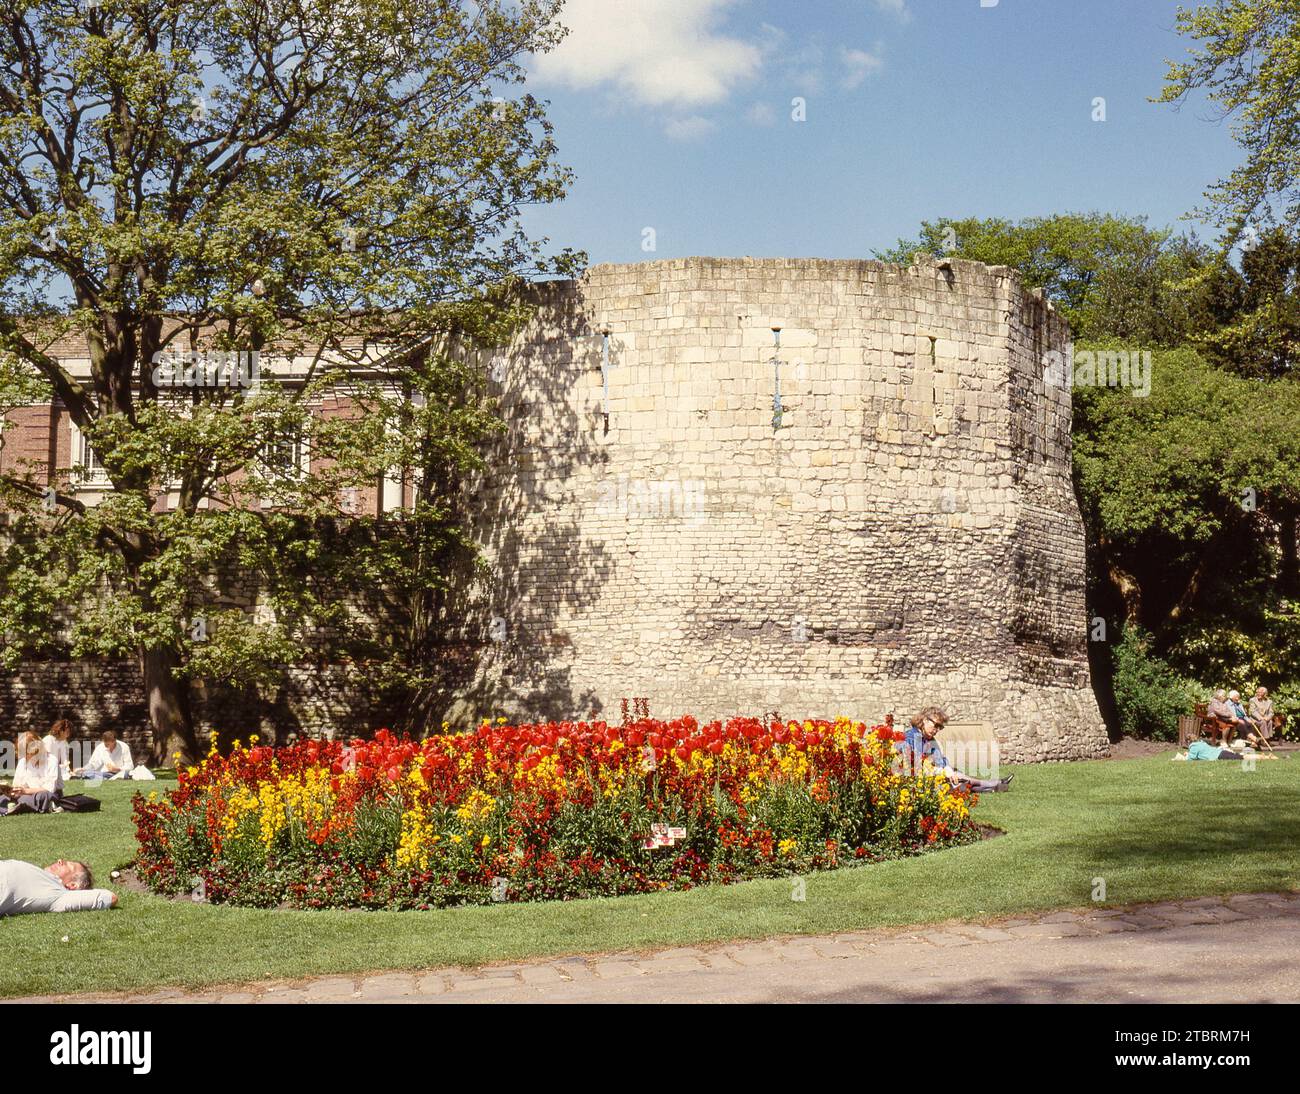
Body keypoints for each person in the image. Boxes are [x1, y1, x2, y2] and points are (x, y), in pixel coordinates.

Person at [896, 707, 1013, 792]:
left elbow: (940, 760)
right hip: (916, 778)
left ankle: (990, 787)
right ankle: (991, 784)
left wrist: (948, 771)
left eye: (940, 727)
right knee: (957, 781)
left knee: (957, 777)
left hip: (931, 776)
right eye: (936, 725)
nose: (937, 730)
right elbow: (916, 766)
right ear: (925, 720)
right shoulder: (911, 737)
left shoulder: (929, 739)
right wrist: (944, 772)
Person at [0, 859, 117, 916]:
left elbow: (110, 897)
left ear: (72, 885)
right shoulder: (41, 874)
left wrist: (77, 892)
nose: (60, 860)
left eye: (67, 865)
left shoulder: (58, 896)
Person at [2, 734, 63, 814]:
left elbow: (49, 788)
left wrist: (25, 791)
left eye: (25, 752)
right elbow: (18, 785)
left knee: (42, 796)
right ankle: (20, 805)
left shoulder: (51, 760)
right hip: (27, 794)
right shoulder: (22, 762)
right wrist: (10, 791)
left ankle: (19, 806)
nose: (22, 755)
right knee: (4, 797)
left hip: (48, 794)